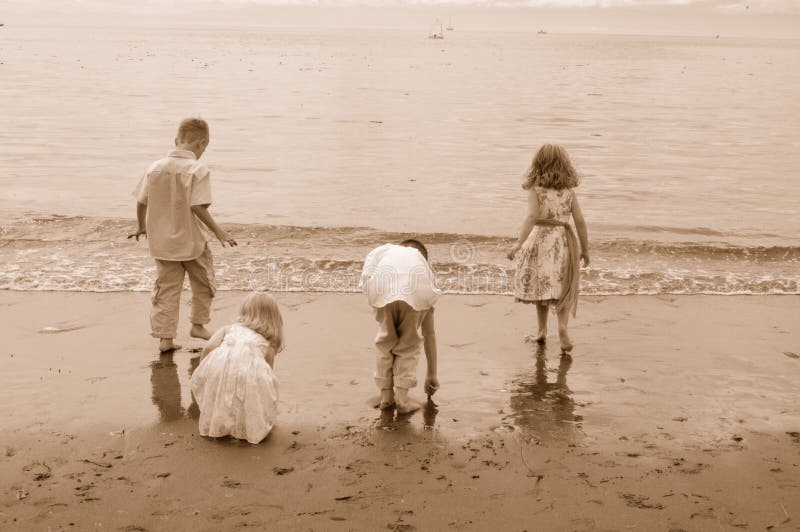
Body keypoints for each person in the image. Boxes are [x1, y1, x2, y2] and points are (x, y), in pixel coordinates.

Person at [129, 118, 237, 353]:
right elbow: (198, 206)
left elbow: (141, 201)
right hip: (192, 242)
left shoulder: (155, 167)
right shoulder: (197, 169)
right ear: (202, 143)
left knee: (166, 289)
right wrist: (219, 231)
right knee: (204, 283)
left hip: (163, 244)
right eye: (204, 148)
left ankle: (165, 339)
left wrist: (141, 226)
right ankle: (197, 326)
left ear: (176, 141)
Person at [507, 144, 590, 354]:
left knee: (541, 286)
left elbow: (532, 217)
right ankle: (562, 327)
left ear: (538, 165)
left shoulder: (536, 190)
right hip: (564, 241)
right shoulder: (569, 193)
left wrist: (518, 243)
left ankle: (542, 330)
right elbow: (580, 221)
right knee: (563, 287)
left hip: (540, 240)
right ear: (565, 166)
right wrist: (585, 249)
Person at [190, 292, 284, 444]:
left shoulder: (229, 329)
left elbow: (208, 349)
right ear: (273, 318)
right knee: (249, 397)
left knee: (221, 394)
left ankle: (219, 424)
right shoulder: (268, 343)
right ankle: (244, 427)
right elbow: (268, 372)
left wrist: (203, 373)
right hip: (249, 374)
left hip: (219, 366)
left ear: (244, 311)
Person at [361, 239, 441, 413]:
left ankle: (386, 397)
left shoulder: (388, 253)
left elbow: (369, 268)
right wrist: (432, 374)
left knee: (384, 342)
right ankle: (403, 401)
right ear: (424, 261)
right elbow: (429, 334)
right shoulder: (421, 272)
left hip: (382, 285)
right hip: (414, 291)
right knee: (408, 345)